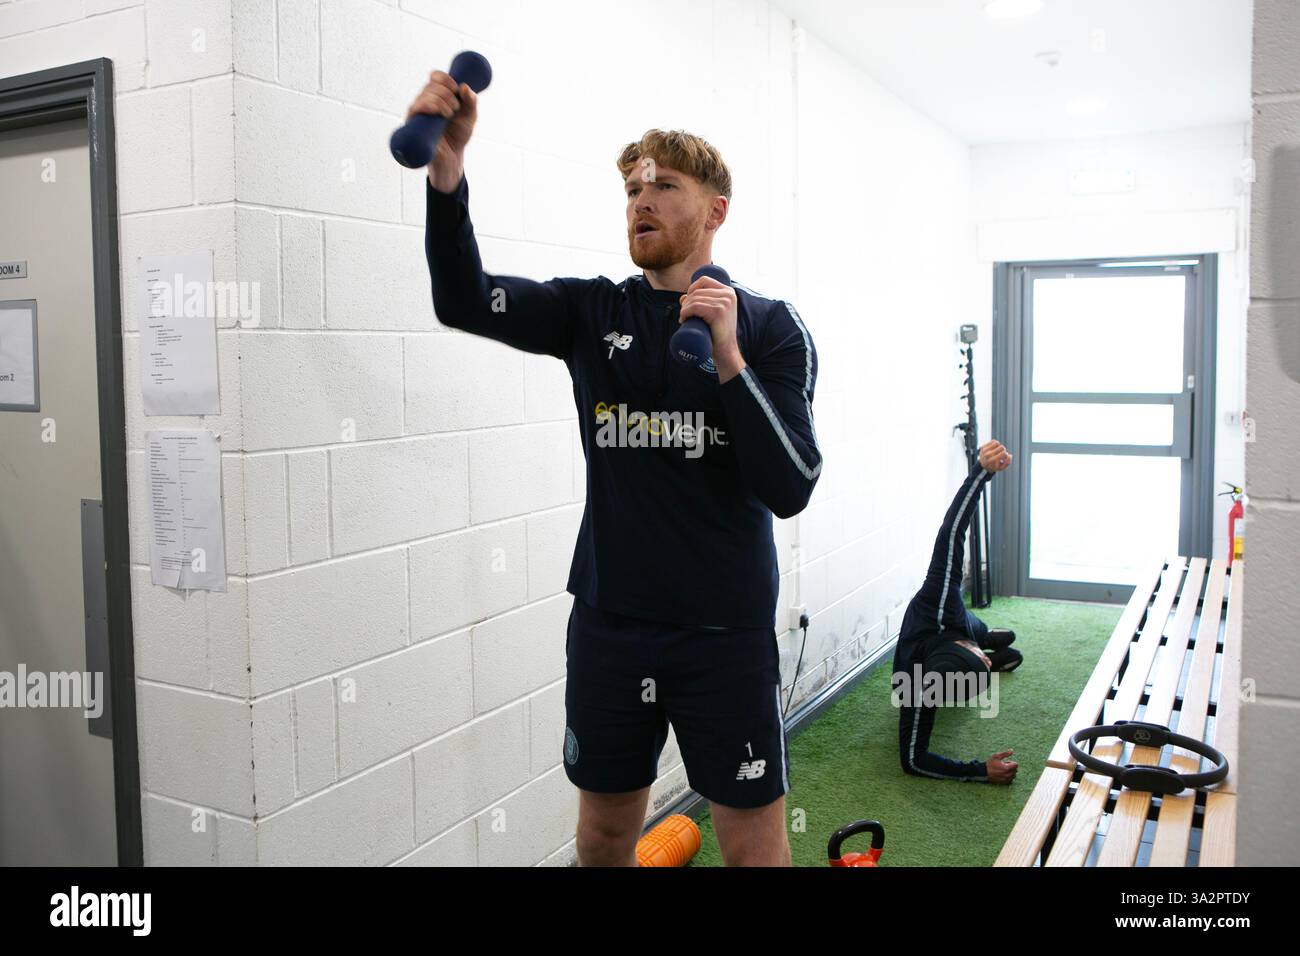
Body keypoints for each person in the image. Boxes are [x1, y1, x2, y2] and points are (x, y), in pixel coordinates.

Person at [410, 71, 822, 865]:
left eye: (665, 185)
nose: (642, 199)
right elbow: (463, 299)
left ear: (715, 211)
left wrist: (729, 358)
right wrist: (448, 169)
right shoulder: (590, 312)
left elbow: (792, 485)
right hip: (611, 628)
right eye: (633, 187)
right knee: (604, 832)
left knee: (753, 845)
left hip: (724, 637)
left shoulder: (771, 329)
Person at [892, 439, 1022, 784]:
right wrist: (981, 771)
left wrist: (982, 472)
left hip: (953, 621)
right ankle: (990, 651)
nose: (983, 658)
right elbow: (912, 761)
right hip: (938, 650)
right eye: (982, 659)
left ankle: (988, 639)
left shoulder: (939, 601)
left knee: (995, 636)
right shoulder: (915, 685)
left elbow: (951, 532)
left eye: (979, 657)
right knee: (1008, 653)